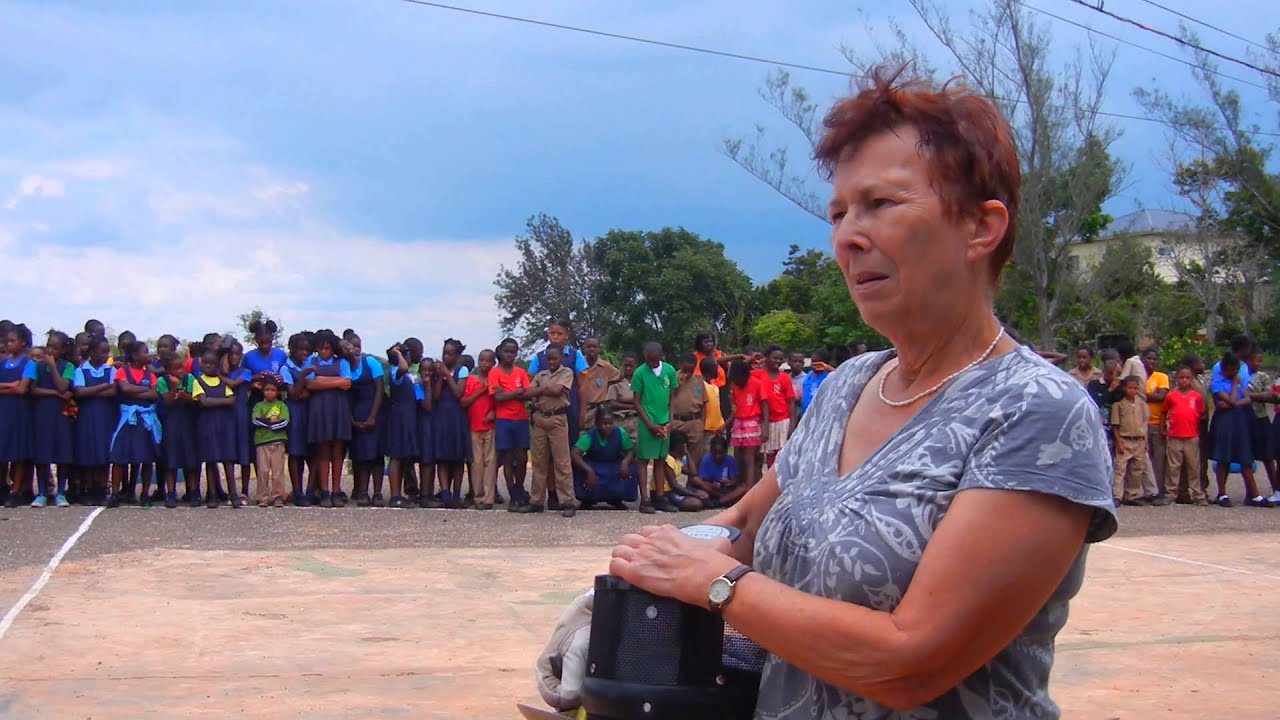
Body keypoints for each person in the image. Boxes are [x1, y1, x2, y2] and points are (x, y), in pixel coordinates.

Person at [608, 68, 1115, 719]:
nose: (848, 236)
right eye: (840, 212)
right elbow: (745, 524)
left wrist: (714, 584)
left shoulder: (1032, 411)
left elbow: (912, 661)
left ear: (980, 228)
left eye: (882, 204)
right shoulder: (850, 385)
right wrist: (643, 576)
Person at [517, 344, 578, 517]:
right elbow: (527, 394)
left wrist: (540, 390)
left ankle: (567, 500)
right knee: (539, 461)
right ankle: (536, 500)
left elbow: (558, 390)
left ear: (562, 358)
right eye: (549, 359)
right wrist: (543, 391)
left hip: (557, 418)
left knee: (562, 461)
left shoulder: (567, 373)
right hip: (539, 419)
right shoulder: (540, 375)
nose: (551, 362)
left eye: (555, 358)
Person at [1210, 352, 1270, 507]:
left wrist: (1235, 401)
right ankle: (1222, 493)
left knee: (1245, 455)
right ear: (1226, 369)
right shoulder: (1218, 383)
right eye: (1234, 370)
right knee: (1224, 456)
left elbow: (1246, 398)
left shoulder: (1237, 378)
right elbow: (1233, 400)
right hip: (1225, 421)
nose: (1236, 373)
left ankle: (1254, 494)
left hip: (1241, 419)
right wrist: (1235, 387)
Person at [106, 341, 161, 508]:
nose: (148, 354)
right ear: (135, 355)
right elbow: (124, 389)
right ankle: (115, 493)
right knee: (119, 458)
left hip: (145, 422)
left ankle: (144, 494)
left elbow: (154, 394)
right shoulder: (122, 371)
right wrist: (143, 391)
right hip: (128, 421)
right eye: (145, 352)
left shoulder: (150, 375)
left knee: (147, 458)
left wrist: (135, 390)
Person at [304, 329, 353, 508]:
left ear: (333, 348)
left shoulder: (343, 362)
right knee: (323, 450)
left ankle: (336, 490)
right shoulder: (311, 361)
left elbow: (347, 383)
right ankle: (324, 491)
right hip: (320, 409)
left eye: (327, 348)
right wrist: (336, 382)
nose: (324, 352)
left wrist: (321, 380)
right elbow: (309, 383)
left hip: (338, 409)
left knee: (337, 451)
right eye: (320, 348)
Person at [632, 341, 679, 515]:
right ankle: (644, 499)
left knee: (660, 459)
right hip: (647, 423)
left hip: (664, 421)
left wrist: (671, 419)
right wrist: (649, 424)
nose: (651, 364)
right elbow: (636, 401)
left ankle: (659, 497)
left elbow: (672, 397)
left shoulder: (669, 371)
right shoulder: (640, 373)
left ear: (661, 356)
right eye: (648, 360)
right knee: (644, 460)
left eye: (654, 360)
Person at [30, 331, 75, 507]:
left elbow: (63, 386)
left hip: (61, 414)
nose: (50, 350)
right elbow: (34, 390)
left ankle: (61, 492)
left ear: (62, 350)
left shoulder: (68, 366)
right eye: (48, 346)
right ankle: (42, 492)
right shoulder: (38, 366)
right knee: (43, 453)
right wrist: (56, 394)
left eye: (55, 348)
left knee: (62, 452)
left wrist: (54, 367)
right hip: (43, 413)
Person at [192, 347, 242, 508]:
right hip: (207, 425)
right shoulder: (197, 381)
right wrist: (223, 402)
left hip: (224, 425)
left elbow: (232, 400)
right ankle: (212, 494)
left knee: (228, 460)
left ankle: (233, 493)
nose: (208, 366)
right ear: (201, 363)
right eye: (205, 363)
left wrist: (213, 402)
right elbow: (203, 402)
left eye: (212, 363)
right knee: (210, 461)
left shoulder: (223, 381)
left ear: (217, 365)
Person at [73, 334, 117, 506]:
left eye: (108, 351)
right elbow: (79, 393)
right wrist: (103, 387)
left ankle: (101, 487)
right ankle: (90, 488)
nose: (106, 355)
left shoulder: (111, 370)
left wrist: (92, 391)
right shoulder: (81, 370)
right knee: (88, 451)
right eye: (103, 351)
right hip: (87, 417)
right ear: (92, 352)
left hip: (106, 417)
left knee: (103, 452)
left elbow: (113, 392)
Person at [528, 321, 589, 443]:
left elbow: (583, 386)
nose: (555, 337)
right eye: (552, 333)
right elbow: (529, 381)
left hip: (570, 406)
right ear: (548, 335)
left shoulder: (575, 355)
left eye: (559, 334)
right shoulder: (539, 357)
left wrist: (583, 412)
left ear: (567, 336)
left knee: (570, 442)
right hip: (544, 410)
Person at [490, 338, 532, 510]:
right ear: (500, 352)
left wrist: (509, 393)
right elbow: (497, 397)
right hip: (503, 419)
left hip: (521, 419)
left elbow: (527, 394)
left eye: (513, 352)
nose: (509, 355)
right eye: (506, 351)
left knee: (521, 457)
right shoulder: (495, 373)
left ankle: (520, 488)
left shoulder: (521, 372)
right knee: (507, 458)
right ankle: (513, 494)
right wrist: (517, 392)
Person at [431, 339, 472, 508]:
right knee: (442, 456)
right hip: (442, 416)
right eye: (444, 353)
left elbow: (458, 393)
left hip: (457, 417)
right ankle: (445, 492)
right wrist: (441, 377)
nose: (445, 357)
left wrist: (447, 375)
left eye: (450, 354)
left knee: (457, 457)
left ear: (458, 356)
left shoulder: (462, 371)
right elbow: (436, 396)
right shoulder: (439, 372)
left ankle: (456, 494)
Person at [346, 332, 385, 506]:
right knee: (360, 456)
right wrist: (352, 419)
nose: (354, 349)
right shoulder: (344, 366)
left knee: (376, 455)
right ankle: (362, 492)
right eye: (351, 345)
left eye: (358, 345)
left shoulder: (370, 363)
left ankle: (377, 493)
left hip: (374, 412)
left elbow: (379, 390)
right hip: (355, 414)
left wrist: (372, 416)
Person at [383, 339, 424, 508]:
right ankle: (395, 495)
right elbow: (404, 367)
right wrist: (399, 354)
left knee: (403, 456)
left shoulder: (406, 376)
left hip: (407, 416)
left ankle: (400, 494)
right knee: (396, 455)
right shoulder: (396, 372)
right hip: (399, 416)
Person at [0, 324, 36, 507]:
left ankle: (17, 490)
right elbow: (16, 386)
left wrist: (12, 387)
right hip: (3, 411)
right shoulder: (2, 364)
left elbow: (22, 389)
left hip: (19, 411)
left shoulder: (28, 364)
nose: (8, 344)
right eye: (7, 341)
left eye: (12, 341)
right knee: (2, 450)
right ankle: (2, 487)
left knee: (18, 452)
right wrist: (10, 386)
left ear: (22, 343)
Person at [571, 409, 637, 509]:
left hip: (613, 465)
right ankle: (587, 499)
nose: (608, 426)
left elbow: (630, 451)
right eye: (604, 424)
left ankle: (616, 499)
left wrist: (625, 462)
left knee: (632, 467)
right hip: (595, 465)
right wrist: (588, 470)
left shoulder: (620, 432)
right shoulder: (589, 436)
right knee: (578, 467)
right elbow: (575, 453)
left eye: (610, 423)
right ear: (596, 424)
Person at [157, 353, 199, 508]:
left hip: (188, 423)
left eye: (182, 367)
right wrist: (174, 388)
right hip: (171, 423)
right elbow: (167, 402)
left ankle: (194, 492)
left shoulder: (190, 379)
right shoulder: (162, 381)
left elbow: (195, 401)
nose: (181, 371)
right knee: (171, 460)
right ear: (168, 370)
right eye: (176, 369)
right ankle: (171, 493)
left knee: (191, 459)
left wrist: (185, 397)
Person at [1164, 367, 1207, 505]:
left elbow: (1201, 413)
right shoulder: (1171, 396)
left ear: (1192, 380)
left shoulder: (1196, 396)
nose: (1184, 381)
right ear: (1177, 379)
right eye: (1181, 378)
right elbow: (1163, 412)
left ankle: (1197, 494)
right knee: (1173, 467)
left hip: (1191, 436)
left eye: (1187, 378)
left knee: (1194, 466)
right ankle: (1171, 493)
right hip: (1175, 436)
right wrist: (1163, 427)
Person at [462, 348, 498, 510]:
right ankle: (478, 496)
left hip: (490, 426)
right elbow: (464, 402)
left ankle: (489, 498)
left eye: (488, 361)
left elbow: (501, 401)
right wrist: (481, 391)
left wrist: (494, 412)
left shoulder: (495, 379)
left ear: (494, 363)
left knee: (490, 462)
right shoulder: (471, 380)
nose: (484, 363)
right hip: (474, 425)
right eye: (482, 360)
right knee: (476, 462)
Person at [725, 359, 768, 491]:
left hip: (752, 423)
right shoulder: (736, 386)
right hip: (739, 424)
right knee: (738, 457)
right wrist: (726, 424)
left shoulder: (756, 384)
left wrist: (765, 428)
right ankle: (742, 485)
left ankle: (749, 489)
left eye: (737, 379)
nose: (736, 382)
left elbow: (765, 406)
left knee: (749, 458)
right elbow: (737, 408)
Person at [1112, 376, 1156, 506]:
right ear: (1124, 388)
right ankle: (1117, 496)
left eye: (1135, 388)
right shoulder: (1119, 404)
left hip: (1139, 440)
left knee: (1137, 469)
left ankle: (1132, 495)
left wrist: (1145, 442)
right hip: (1125, 440)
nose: (1133, 391)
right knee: (1120, 469)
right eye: (1130, 388)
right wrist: (1119, 441)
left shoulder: (1141, 404)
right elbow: (1115, 425)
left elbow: (1144, 423)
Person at [280, 333, 313, 506]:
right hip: (295, 412)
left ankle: (310, 490)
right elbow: (293, 394)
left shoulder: (311, 364)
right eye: (301, 349)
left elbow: (310, 391)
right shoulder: (286, 368)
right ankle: (298, 491)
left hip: (311, 411)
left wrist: (303, 389)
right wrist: (303, 378)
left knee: (313, 453)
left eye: (307, 349)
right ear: (291, 349)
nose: (304, 353)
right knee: (296, 452)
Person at [1244, 349, 1280, 502]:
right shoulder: (1241, 376)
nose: (1259, 364)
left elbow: (1273, 396)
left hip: (1260, 417)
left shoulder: (1263, 377)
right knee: (1245, 457)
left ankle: (1276, 489)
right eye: (1257, 360)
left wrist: (1249, 396)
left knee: (1268, 455)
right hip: (1244, 419)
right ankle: (1251, 492)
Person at [754, 345, 798, 467]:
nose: (778, 361)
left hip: (782, 421)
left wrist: (792, 425)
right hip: (765, 422)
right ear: (766, 358)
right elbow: (737, 374)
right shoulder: (757, 375)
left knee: (782, 457)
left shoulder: (785, 378)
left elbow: (790, 402)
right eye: (775, 358)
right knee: (769, 457)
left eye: (780, 359)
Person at [224, 340, 255, 503]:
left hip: (242, 413)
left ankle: (244, 491)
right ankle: (232, 491)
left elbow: (234, 384)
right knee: (228, 453)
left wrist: (220, 375)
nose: (234, 357)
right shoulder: (222, 371)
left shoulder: (246, 372)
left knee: (244, 454)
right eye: (230, 353)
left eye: (237, 353)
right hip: (226, 415)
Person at [251, 378, 290, 507]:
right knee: (263, 470)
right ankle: (263, 496)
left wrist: (268, 424)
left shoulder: (281, 406)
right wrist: (271, 423)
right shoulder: (259, 406)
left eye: (273, 390)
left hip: (278, 442)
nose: (270, 393)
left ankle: (278, 495)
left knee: (277, 471)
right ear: (263, 391)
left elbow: (284, 422)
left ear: (277, 392)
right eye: (267, 390)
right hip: (262, 442)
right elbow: (256, 420)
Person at [669, 352, 709, 476]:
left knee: (696, 455)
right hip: (675, 420)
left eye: (691, 370)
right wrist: (677, 386)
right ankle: (670, 482)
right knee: (672, 455)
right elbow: (666, 400)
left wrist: (702, 423)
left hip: (694, 421)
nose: (688, 372)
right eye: (686, 369)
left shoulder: (698, 381)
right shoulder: (671, 378)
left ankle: (693, 483)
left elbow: (704, 405)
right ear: (680, 365)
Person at [1142, 349, 1170, 499]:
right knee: (1143, 458)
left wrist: (1142, 394)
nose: (1151, 362)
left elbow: (1161, 397)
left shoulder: (1161, 377)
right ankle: (1146, 491)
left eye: (1154, 359)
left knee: (1159, 457)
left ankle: (1159, 490)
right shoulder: (1139, 377)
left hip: (1156, 422)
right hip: (1140, 423)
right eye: (1148, 358)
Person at [577, 338, 620, 432]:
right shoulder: (578, 364)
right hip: (582, 409)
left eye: (594, 347)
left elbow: (619, 377)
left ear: (599, 349)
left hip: (599, 411)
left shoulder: (606, 366)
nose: (591, 349)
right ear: (584, 349)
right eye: (589, 347)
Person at [693, 434, 747, 508]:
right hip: (712, 490)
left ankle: (719, 502)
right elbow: (703, 480)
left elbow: (735, 480)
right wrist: (712, 485)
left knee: (743, 488)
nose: (718, 456)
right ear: (711, 450)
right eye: (715, 453)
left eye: (720, 453)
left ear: (725, 451)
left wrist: (730, 483)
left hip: (725, 490)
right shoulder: (706, 460)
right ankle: (724, 500)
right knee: (697, 482)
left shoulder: (731, 460)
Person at [662, 431, 707, 512]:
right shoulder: (668, 459)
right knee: (696, 503)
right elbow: (674, 485)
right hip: (667, 493)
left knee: (705, 495)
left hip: (674, 491)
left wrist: (687, 454)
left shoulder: (678, 460)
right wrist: (694, 495)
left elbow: (693, 473)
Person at [800, 348, 834, 417]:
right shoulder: (809, 374)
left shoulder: (829, 375)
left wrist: (829, 368)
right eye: (812, 362)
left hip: (819, 414)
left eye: (817, 362)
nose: (814, 365)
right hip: (804, 414)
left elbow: (842, 376)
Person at [699, 357, 726, 436]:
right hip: (707, 428)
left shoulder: (715, 387)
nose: (718, 371)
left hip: (718, 427)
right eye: (716, 368)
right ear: (710, 370)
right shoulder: (701, 385)